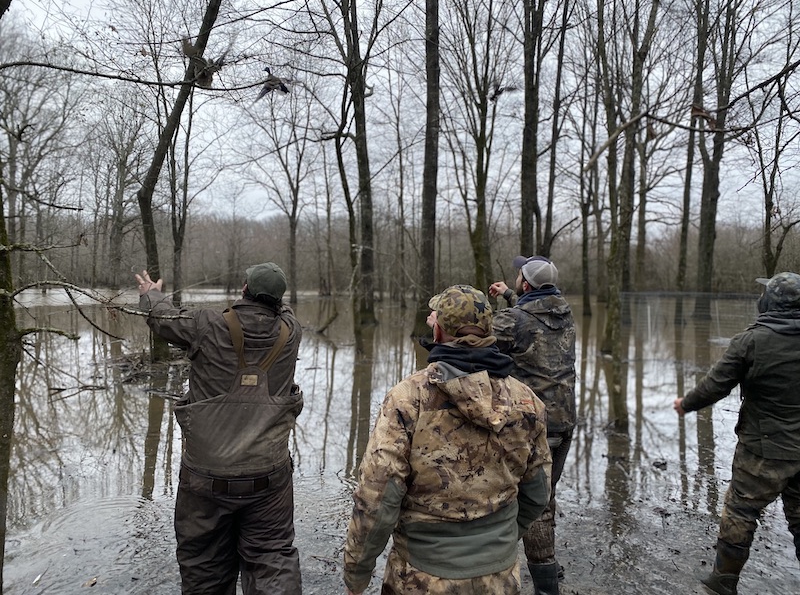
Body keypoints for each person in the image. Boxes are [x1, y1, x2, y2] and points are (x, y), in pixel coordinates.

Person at [343, 284, 553, 595]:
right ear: (489, 330)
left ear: (439, 331)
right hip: (499, 579)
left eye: (434, 320)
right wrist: (497, 540)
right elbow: (537, 493)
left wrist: (356, 576)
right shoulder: (526, 403)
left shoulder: (408, 399)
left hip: (421, 578)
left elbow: (377, 499)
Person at [136, 262, 303, 595]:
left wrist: (151, 295)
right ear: (277, 300)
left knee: (205, 568)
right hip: (268, 477)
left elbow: (163, 319)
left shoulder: (206, 324)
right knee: (272, 560)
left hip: (205, 479)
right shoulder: (291, 331)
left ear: (243, 289)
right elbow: (281, 311)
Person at [673, 271, 800, 595]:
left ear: (769, 302)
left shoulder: (751, 340)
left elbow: (716, 385)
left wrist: (685, 404)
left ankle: (723, 582)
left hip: (762, 449)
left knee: (741, 511)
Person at [489, 255, 577, 595]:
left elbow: (476, 336)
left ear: (525, 283)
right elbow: (532, 320)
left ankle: (541, 584)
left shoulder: (512, 321)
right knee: (544, 497)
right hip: (564, 422)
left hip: (530, 424)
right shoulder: (565, 314)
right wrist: (507, 296)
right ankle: (547, 572)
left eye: (517, 277)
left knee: (521, 502)